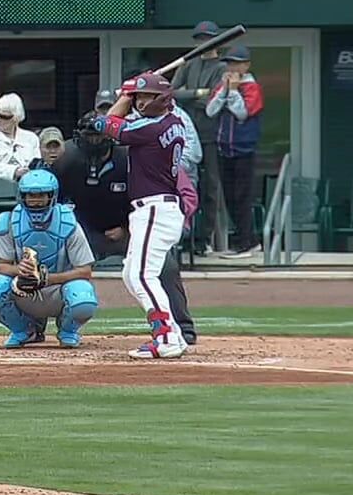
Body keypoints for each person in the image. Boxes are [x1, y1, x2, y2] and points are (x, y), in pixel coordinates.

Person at [57, 111, 198, 344]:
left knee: (166, 266)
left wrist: (126, 228)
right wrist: (73, 231)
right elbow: (56, 202)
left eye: (99, 135)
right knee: (54, 258)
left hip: (131, 229)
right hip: (85, 233)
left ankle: (182, 328)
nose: (95, 140)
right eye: (90, 135)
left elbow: (148, 194)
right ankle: (48, 326)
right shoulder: (67, 159)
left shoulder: (130, 159)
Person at [87, 73, 191, 359]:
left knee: (141, 275)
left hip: (156, 208)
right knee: (132, 274)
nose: (140, 102)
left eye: (146, 97)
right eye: (139, 98)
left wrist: (125, 95)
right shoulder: (173, 123)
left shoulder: (152, 129)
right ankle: (174, 335)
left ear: (161, 99)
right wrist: (136, 92)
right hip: (156, 209)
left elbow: (105, 123)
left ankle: (166, 338)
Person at [0, 169, 98, 348]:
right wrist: (21, 271)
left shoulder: (69, 224)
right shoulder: (10, 222)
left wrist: (49, 279)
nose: (36, 201)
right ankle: (25, 329)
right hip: (24, 287)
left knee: (83, 299)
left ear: (51, 196)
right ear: (22, 196)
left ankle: (67, 330)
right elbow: (2, 266)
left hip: (59, 287)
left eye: (41, 195)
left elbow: (85, 270)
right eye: (30, 196)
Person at [172, 21, 228, 253]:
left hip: (210, 133)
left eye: (208, 38)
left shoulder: (222, 66)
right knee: (182, 186)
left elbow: (212, 100)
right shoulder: (189, 64)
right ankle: (184, 237)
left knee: (211, 188)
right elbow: (171, 93)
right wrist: (196, 93)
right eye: (200, 38)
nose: (204, 42)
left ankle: (205, 240)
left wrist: (193, 96)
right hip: (185, 134)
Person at [205, 45, 264, 258]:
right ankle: (245, 240)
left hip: (244, 149)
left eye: (237, 63)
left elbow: (242, 113)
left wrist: (233, 91)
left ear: (246, 65)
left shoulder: (252, 87)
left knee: (242, 198)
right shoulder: (222, 84)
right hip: (224, 148)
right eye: (229, 63)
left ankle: (246, 243)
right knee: (229, 198)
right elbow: (210, 110)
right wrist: (224, 91)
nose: (232, 67)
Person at [0, 93, 40, 181]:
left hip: (24, 185)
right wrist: (14, 171)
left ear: (16, 118)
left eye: (4, 117)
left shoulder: (31, 138)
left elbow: (36, 166)